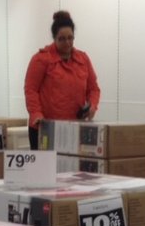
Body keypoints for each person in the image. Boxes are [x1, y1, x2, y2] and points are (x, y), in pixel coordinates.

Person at [24, 10, 101, 149]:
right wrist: (36, 115)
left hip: (73, 129)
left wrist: (92, 106)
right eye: (62, 39)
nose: (67, 43)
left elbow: (94, 89)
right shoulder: (41, 59)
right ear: (54, 38)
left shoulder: (83, 59)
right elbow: (31, 90)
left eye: (70, 38)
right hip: (45, 129)